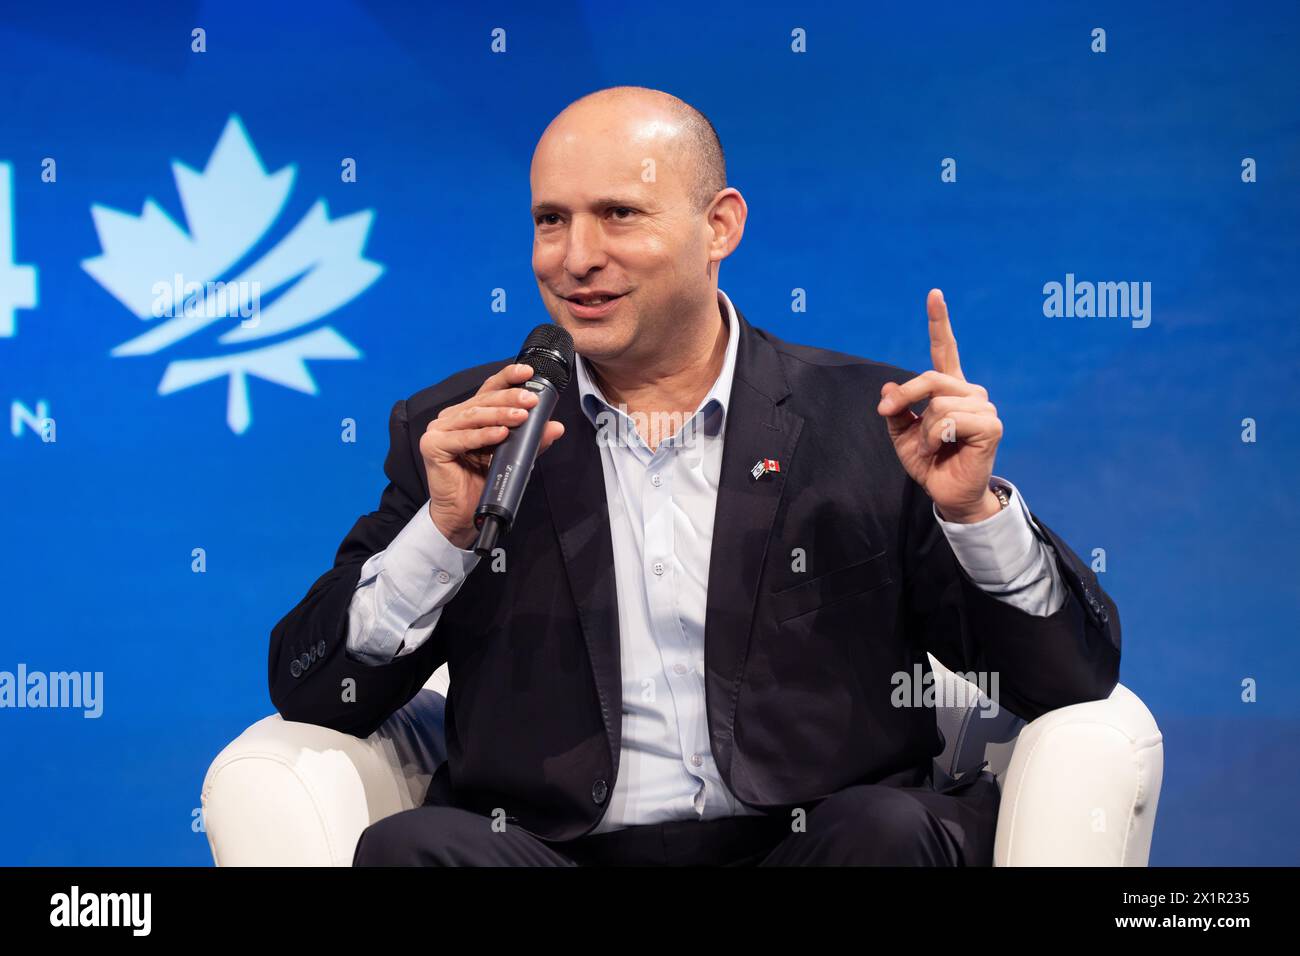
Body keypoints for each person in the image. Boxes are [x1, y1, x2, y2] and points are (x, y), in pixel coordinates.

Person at [268, 86, 1120, 866]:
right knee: (414, 850)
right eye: (552, 220)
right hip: (555, 852)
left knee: (885, 833)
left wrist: (974, 513)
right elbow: (316, 693)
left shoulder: (871, 419)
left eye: (618, 214)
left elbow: (1067, 682)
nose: (575, 258)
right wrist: (444, 533)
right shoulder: (467, 431)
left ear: (720, 225)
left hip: (811, 847)